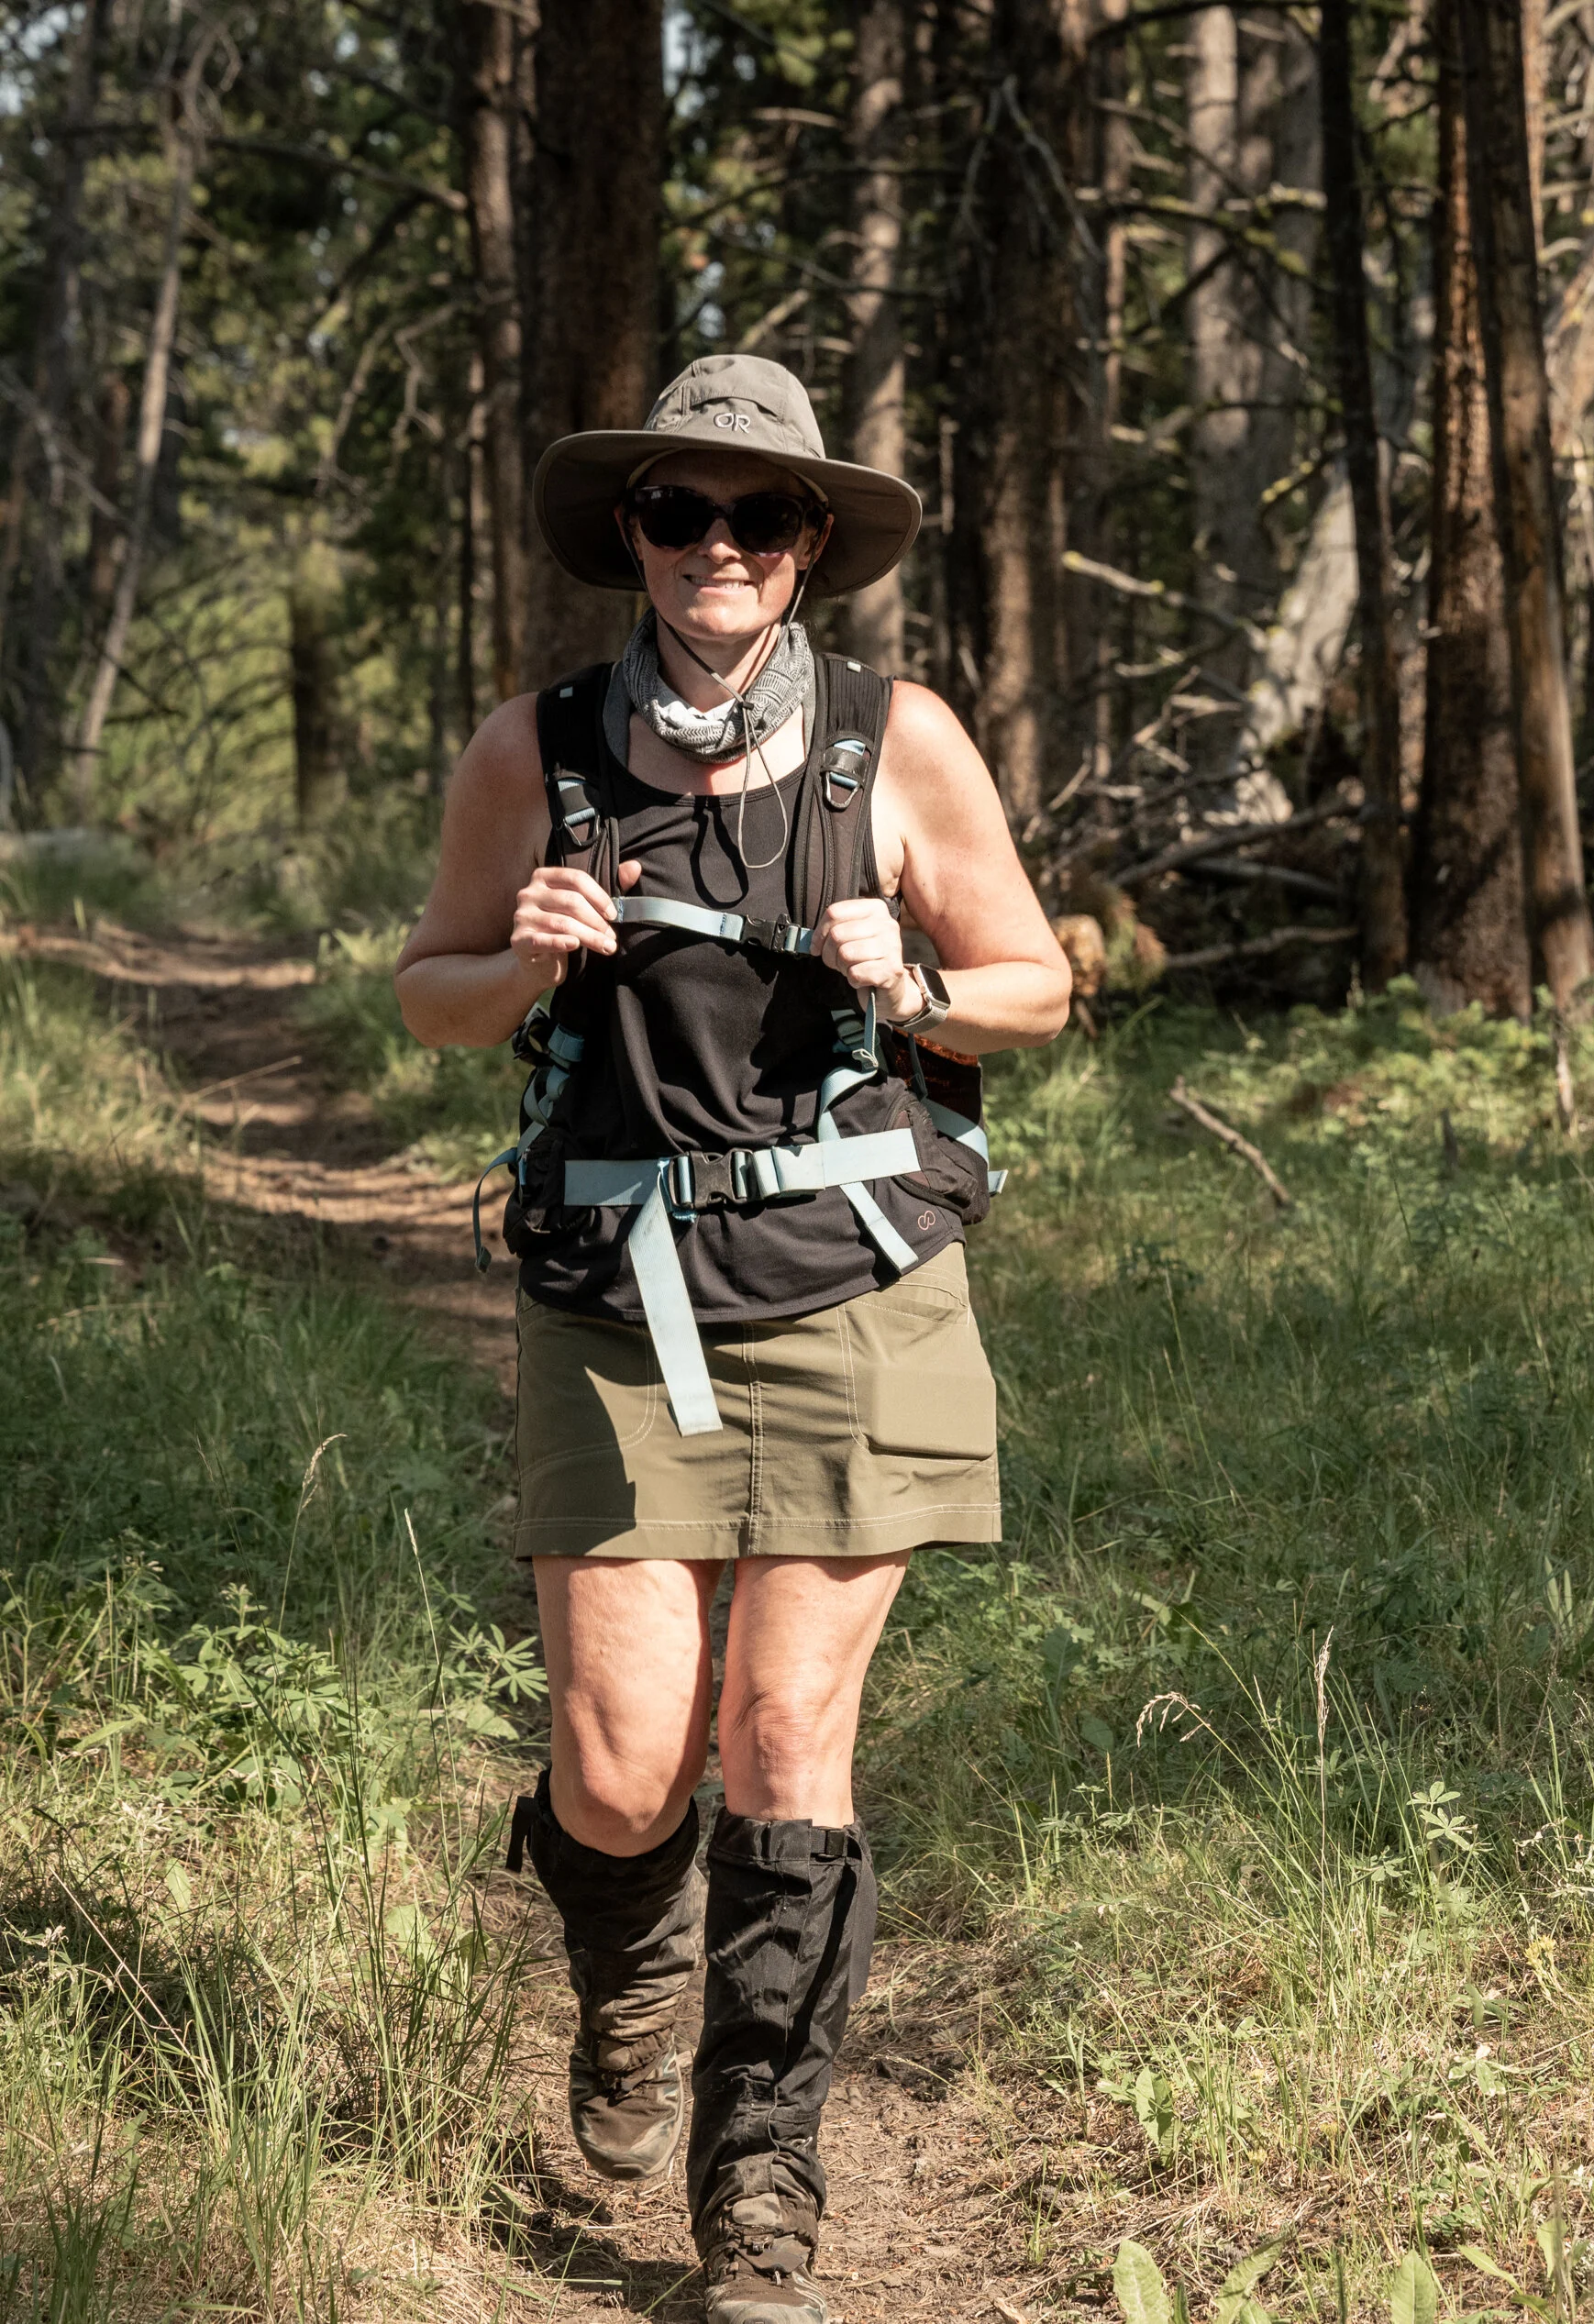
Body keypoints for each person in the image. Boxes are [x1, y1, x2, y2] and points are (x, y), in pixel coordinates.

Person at [395, 352, 1069, 2324]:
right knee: (619, 1768)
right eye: (681, 512)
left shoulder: (897, 746)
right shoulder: (537, 747)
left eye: (757, 519)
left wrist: (923, 970)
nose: (717, 546)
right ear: (632, 532)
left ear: (809, 555)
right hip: (616, 1299)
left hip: (858, 1290)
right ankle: (626, 1961)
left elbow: (1034, 990)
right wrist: (517, 953)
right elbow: (429, 997)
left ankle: (756, 2189)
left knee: (785, 1737)